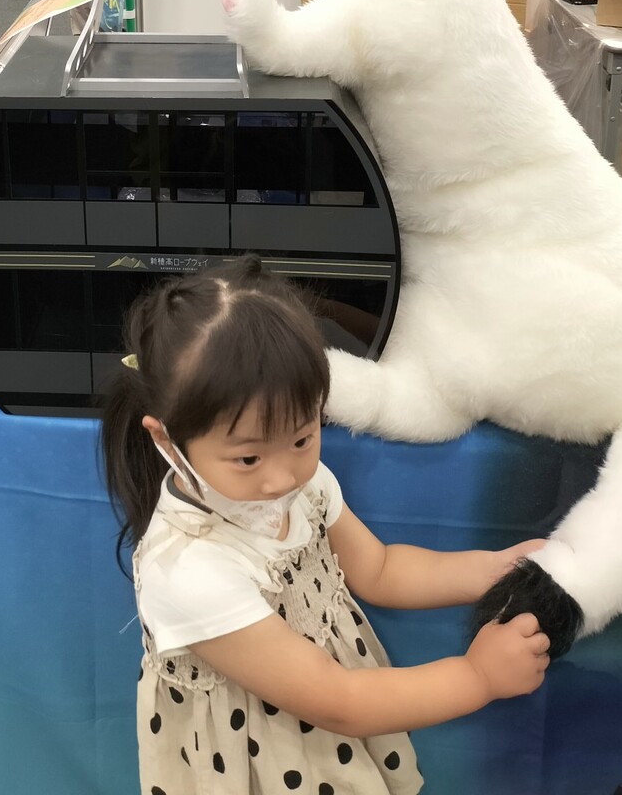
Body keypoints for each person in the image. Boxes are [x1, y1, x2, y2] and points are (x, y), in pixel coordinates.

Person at [100, 258, 550, 795]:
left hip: (330, 732)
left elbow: (380, 568)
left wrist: (495, 570)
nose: (282, 476)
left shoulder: (303, 486)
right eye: (248, 459)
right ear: (168, 440)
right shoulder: (191, 568)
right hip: (258, 759)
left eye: (302, 437)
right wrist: (477, 677)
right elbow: (339, 702)